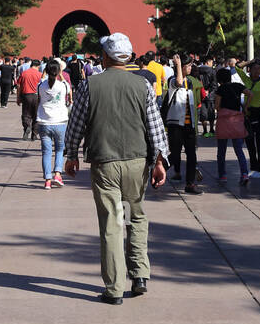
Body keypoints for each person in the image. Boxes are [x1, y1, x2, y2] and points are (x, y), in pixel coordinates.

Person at [64, 33, 168, 305]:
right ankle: (140, 275)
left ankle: (113, 288)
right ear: (130, 57)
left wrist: (71, 154)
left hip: (104, 161)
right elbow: (155, 126)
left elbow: (76, 123)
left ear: (106, 56)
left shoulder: (90, 85)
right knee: (137, 216)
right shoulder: (143, 85)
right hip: (137, 160)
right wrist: (160, 160)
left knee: (111, 222)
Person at [162, 56, 203, 194]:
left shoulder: (190, 83)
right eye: (188, 66)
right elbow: (179, 81)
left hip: (188, 125)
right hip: (176, 125)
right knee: (174, 156)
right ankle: (157, 170)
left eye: (191, 65)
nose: (191, 68)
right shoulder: (173, 81)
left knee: (192, 155)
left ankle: (190, 184)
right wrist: (178, 64)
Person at [37, 59, 72, 189]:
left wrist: (46, 73)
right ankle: (57, 174)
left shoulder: (41, 85)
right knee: (59, 149)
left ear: (46, 71)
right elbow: (68, 88)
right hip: (60, 122)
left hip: (44, 122)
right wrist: (60, 73)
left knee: (46, 152)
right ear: (58, 72)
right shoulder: (63, 85)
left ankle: (47, 179)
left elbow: (40, 82)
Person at [211, 67, 249, 185]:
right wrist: (246, 107)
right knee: (239, 150)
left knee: (221, 151)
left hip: (223, 121)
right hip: (237, 120)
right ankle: (244, 173)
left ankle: (222, 175)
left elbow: (217, 106)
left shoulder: (220, 89)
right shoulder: (238, 86)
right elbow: (250, 93)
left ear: (219, 79)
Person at [234, 61, 260, 180]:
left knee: (259, 141)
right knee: (249, 141)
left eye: (258, 69)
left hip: (259, 113)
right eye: (254, 68)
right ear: (250, 70)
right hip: (248, 114)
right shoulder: (247, 80)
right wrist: (250, 61)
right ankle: (253, 167)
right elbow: (237, 67)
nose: (256, 71)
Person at [17, 58, 43, 139]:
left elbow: (18, 86)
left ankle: (27, 127)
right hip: (37, 96)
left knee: (26, 114)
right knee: (36, 115)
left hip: (26, 96)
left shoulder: (24, 73)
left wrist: (18, 97)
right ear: (38, 66)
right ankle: (34, 133)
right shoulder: (40, 74)